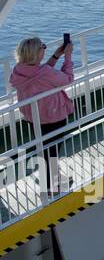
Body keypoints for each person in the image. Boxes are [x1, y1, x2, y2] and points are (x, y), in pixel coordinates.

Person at [8, 36, 75, 196]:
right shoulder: (44, 72)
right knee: (52, 151)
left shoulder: (19, 70)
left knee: (45, 149)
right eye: (43, 47)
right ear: (37, 53)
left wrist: (55, 56)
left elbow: (40, 74)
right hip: (53, 116)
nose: (45, 49)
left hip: (34, 117)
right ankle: (52, 187)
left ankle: (54, 180)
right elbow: (68, 79)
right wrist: (67, 57)